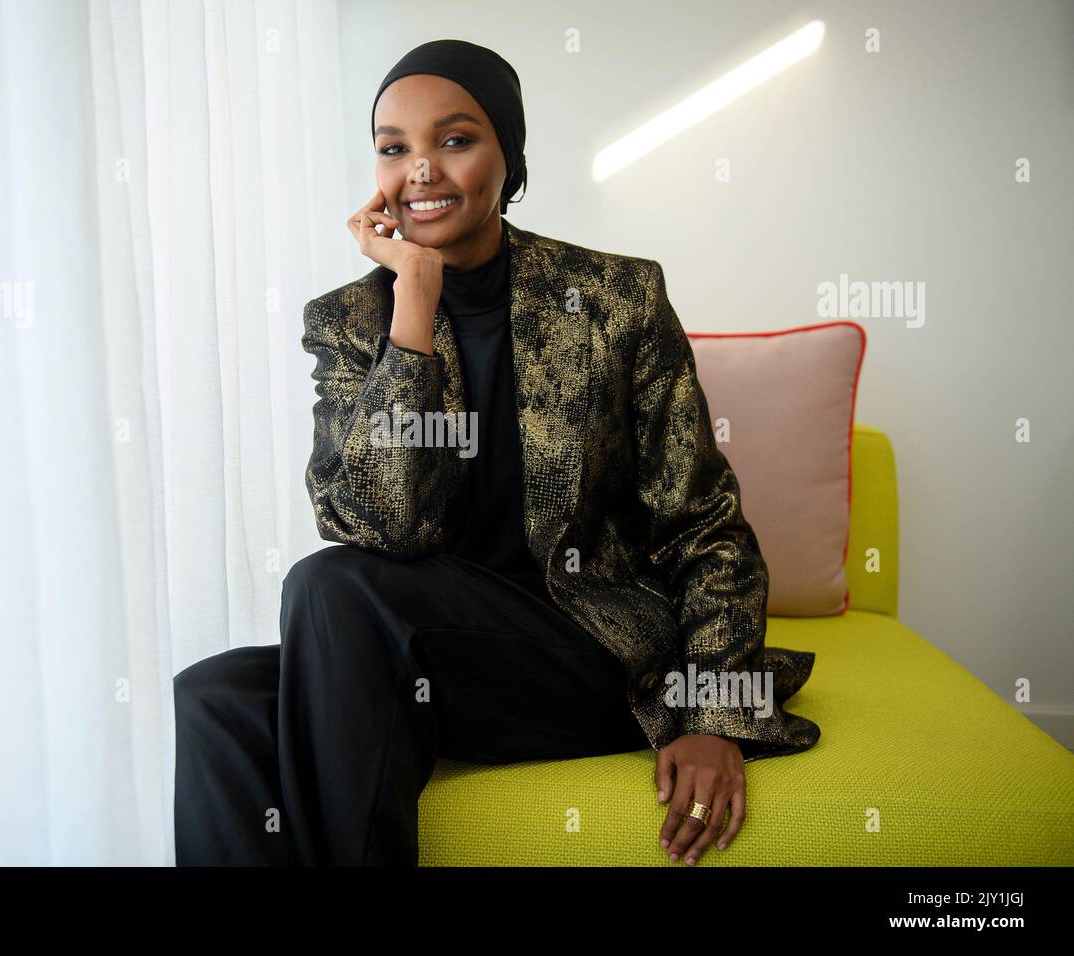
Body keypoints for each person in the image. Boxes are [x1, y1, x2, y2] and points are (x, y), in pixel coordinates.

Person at [173, 38, 820, 868]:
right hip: (434, 657)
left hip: (589, 652)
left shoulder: (617, 300)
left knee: (326, 585)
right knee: (214, 697)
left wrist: (712, 716)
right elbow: (380, 526)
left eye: (455, 139)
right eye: (393, 147)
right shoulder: (351, 320)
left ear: (507, 157)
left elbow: (704, 523)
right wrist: (413, 304)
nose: (421, 171)